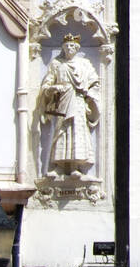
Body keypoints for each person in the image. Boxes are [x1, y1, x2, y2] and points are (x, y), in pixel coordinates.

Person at [40, 35, 100, 178]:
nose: (69, 49)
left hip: (78, 102)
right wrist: (53, 88)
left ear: (77, 48)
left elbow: (95, 83)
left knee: (77, 132)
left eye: (72, 46)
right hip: (62, 102)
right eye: (66, 46)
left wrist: (89, 94)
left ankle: (74, 167)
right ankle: (59, 166)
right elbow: (46, 85)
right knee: (61, 131)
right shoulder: (57, 64)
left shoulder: (84, 64)